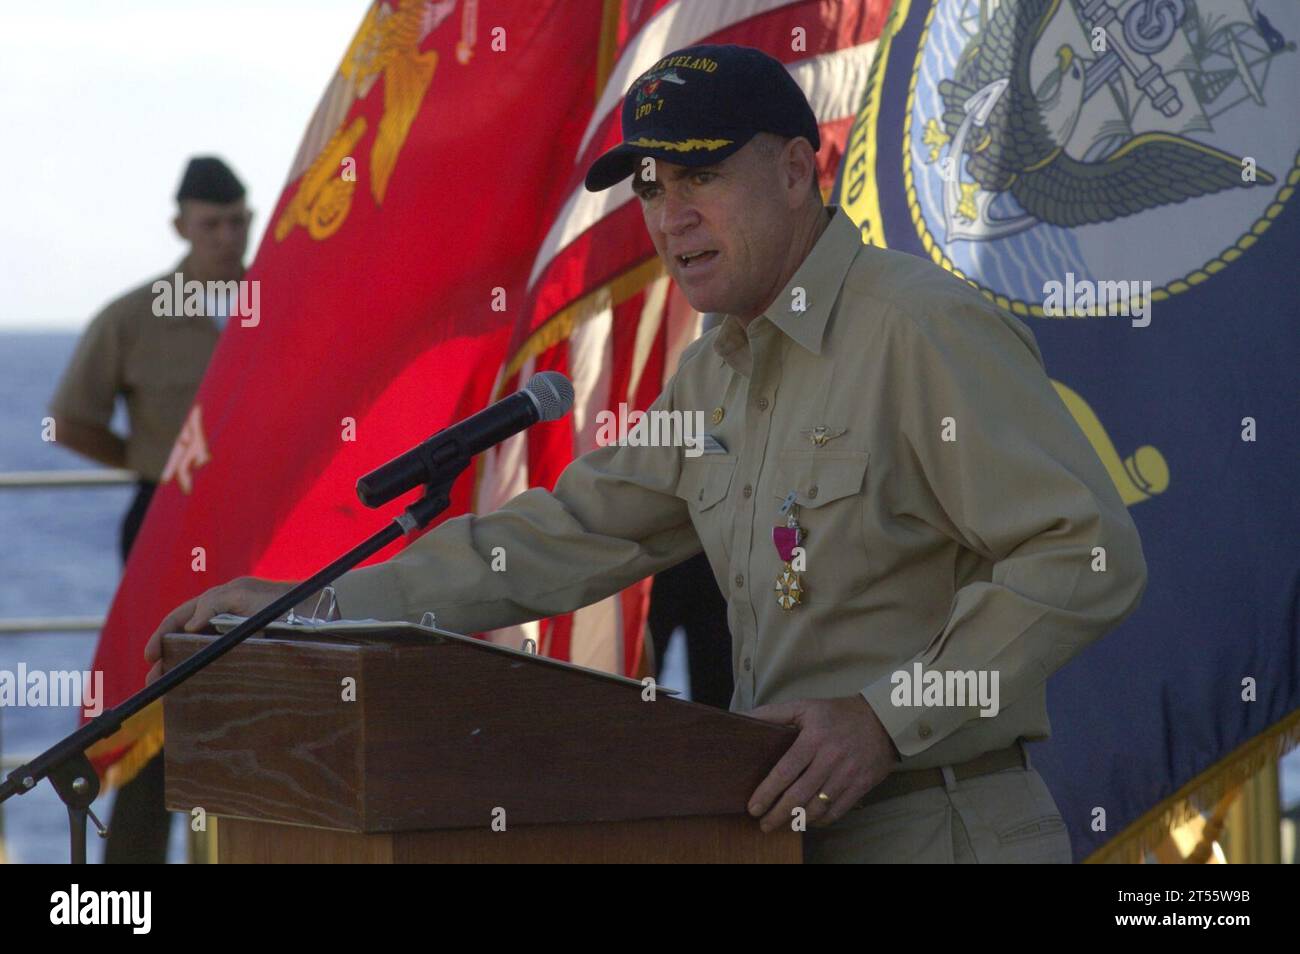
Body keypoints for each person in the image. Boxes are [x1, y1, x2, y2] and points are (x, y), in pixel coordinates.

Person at [145, 46, 1147, 863]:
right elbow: (563, 533)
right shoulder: (720, 369)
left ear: (797, 170)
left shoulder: (916, 330)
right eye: (654, 187)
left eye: (703, 175)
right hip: (787, 834)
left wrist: (885, 718)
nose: (671, 216)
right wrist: (305, 607)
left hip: (941, 822)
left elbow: (1084, 557)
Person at [52, 156, 251, 863]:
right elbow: (73, 418)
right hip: (166, 524)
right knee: (155, 691)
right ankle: (125, 884)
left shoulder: (284, 305)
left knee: (260, 694)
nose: (228, 236)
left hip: (262, 520)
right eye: (212, 223)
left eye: (239, 221)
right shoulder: (135, 316)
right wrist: (152, 465)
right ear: (181, 226)